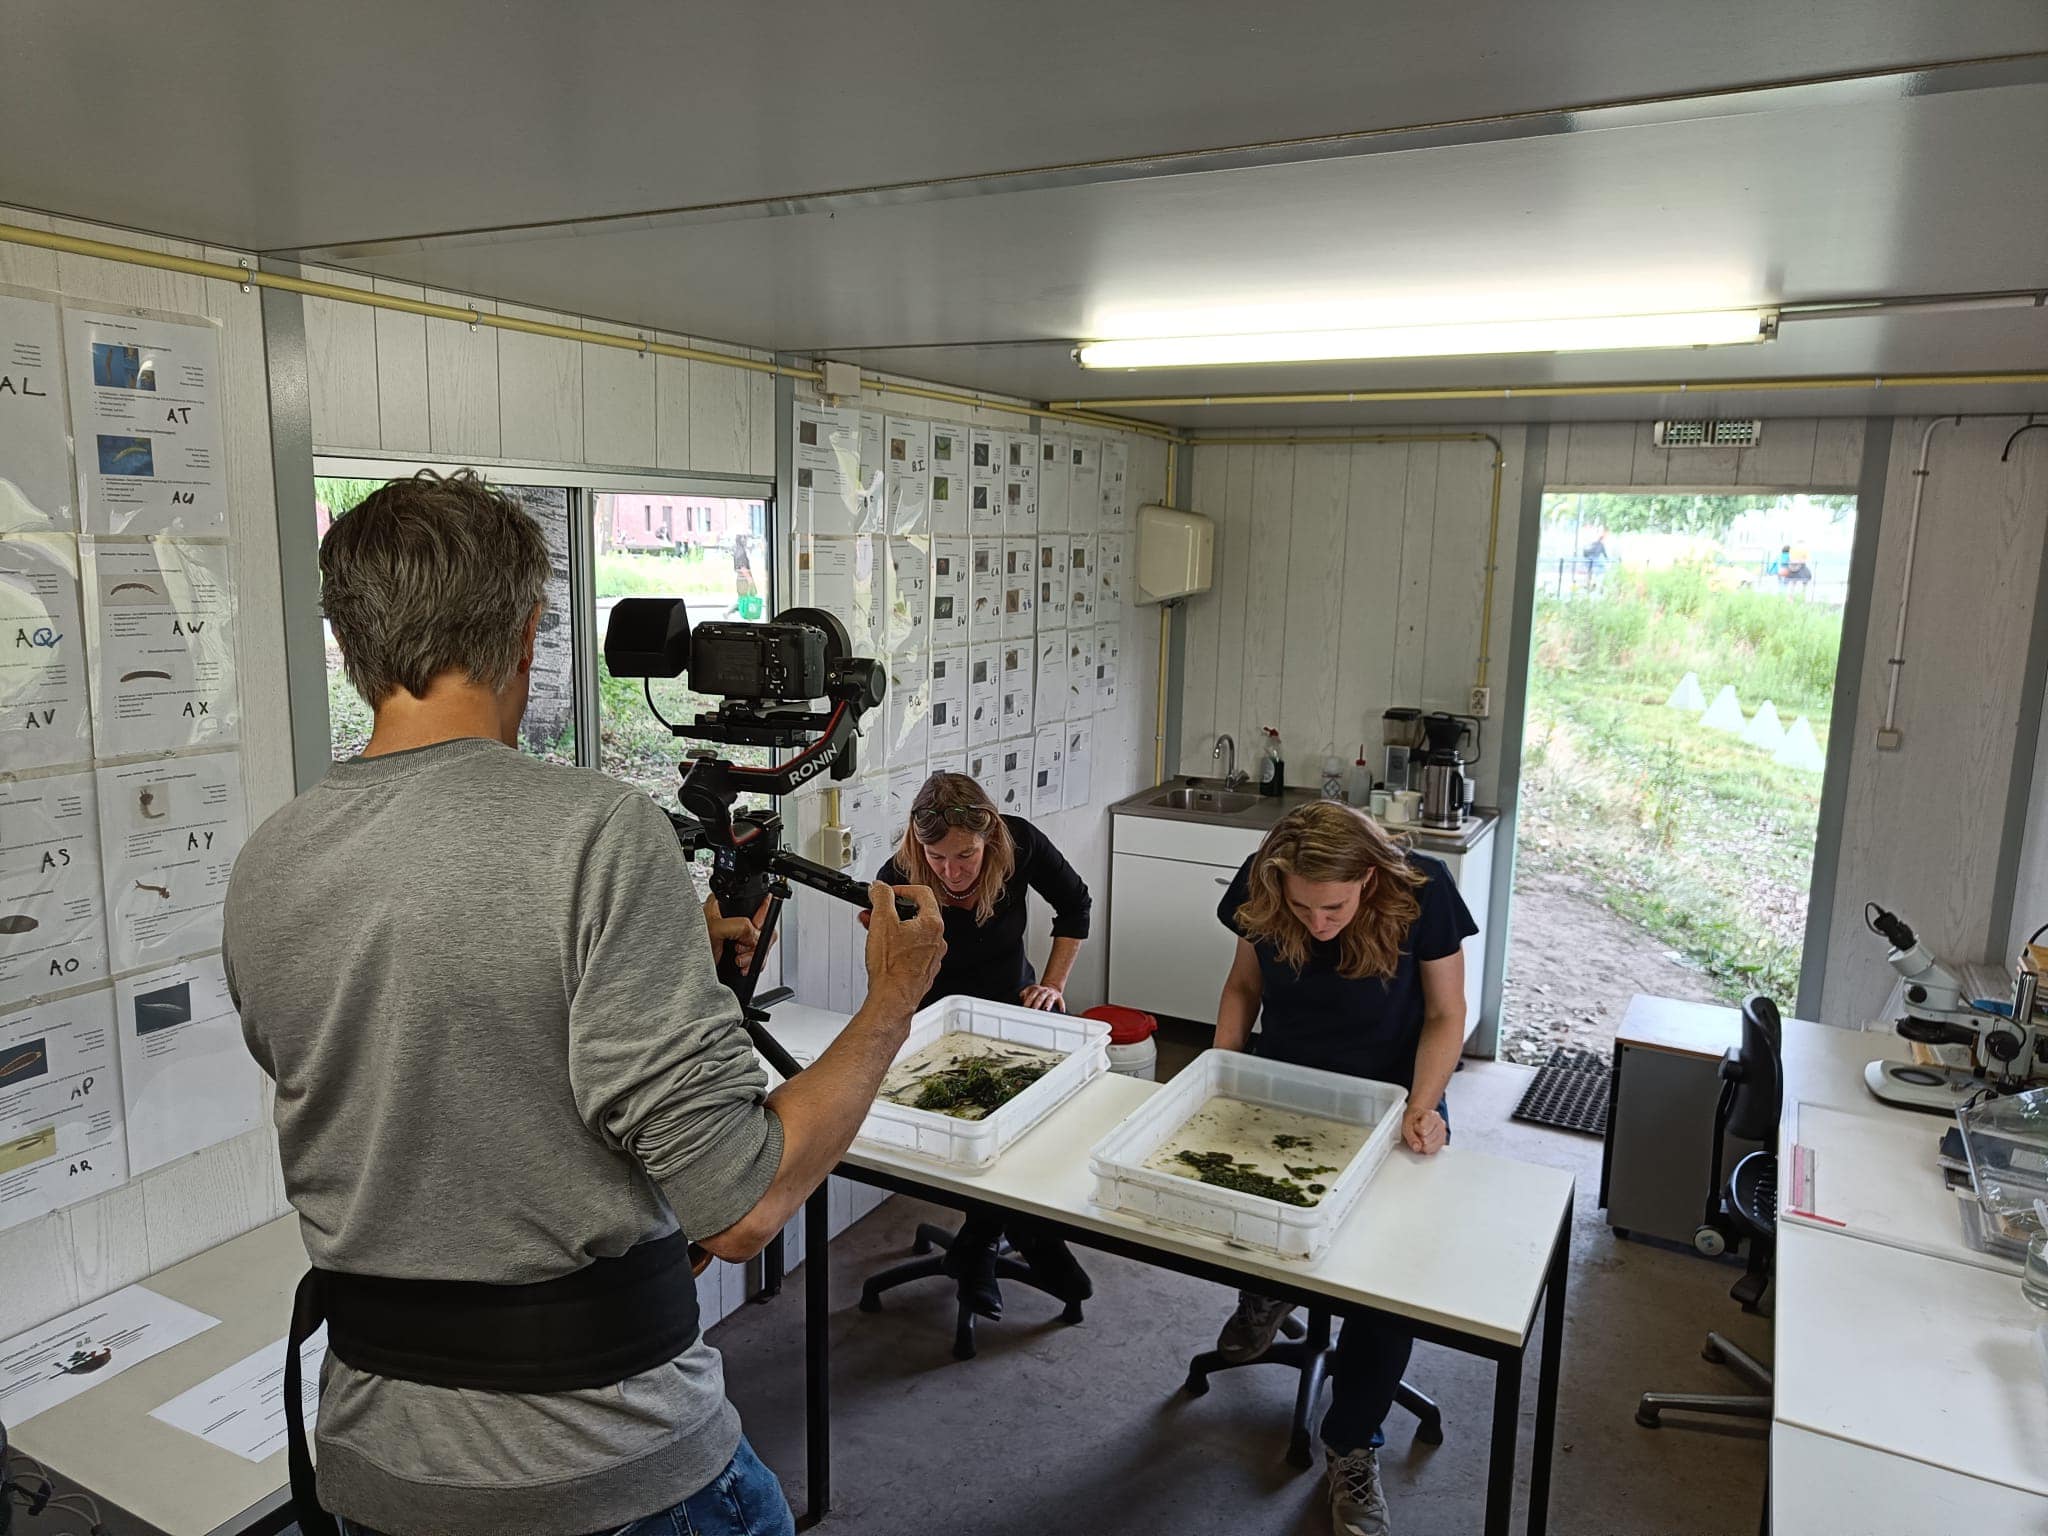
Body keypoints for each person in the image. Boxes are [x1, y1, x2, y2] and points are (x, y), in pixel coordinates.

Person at [223, 471, 946, 1536]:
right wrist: (892, 998)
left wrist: (644, 959)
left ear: (349, 644)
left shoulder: (268, 861)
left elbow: (415, 1054)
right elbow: (742, 1211)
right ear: (524, 638)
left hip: (374, 1465)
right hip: (607, 1471)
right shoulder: (597, 833)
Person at [1209, 801, 1475, 1536]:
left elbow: (1447, 1014)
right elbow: (1244, 987)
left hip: (1393, 1092)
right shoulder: (1266, 885)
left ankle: (1353, 1443)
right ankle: (1267, 1292)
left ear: (1368, 877)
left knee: (1386, 1282)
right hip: (1287, 1080)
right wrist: (1222, 1068)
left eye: (1332, 908)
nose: (1317, 922)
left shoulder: (1424, 892)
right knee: (1255, 1203)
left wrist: (1425, 1106)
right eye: (1302, 906)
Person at [872, 771, 1093, 1315]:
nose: (951, 872)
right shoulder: (901, 872)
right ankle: (1019, 1239)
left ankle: (977, 1246)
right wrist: (882, 932)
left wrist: (1054, 985)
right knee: (970, 1130)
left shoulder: (1020, 844)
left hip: (1012, 1005)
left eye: (965, 856)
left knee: (1025, 1129)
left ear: (989, 835)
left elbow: (1076, 906)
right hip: (936, 1017)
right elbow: (888, 965)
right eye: (938, 858)